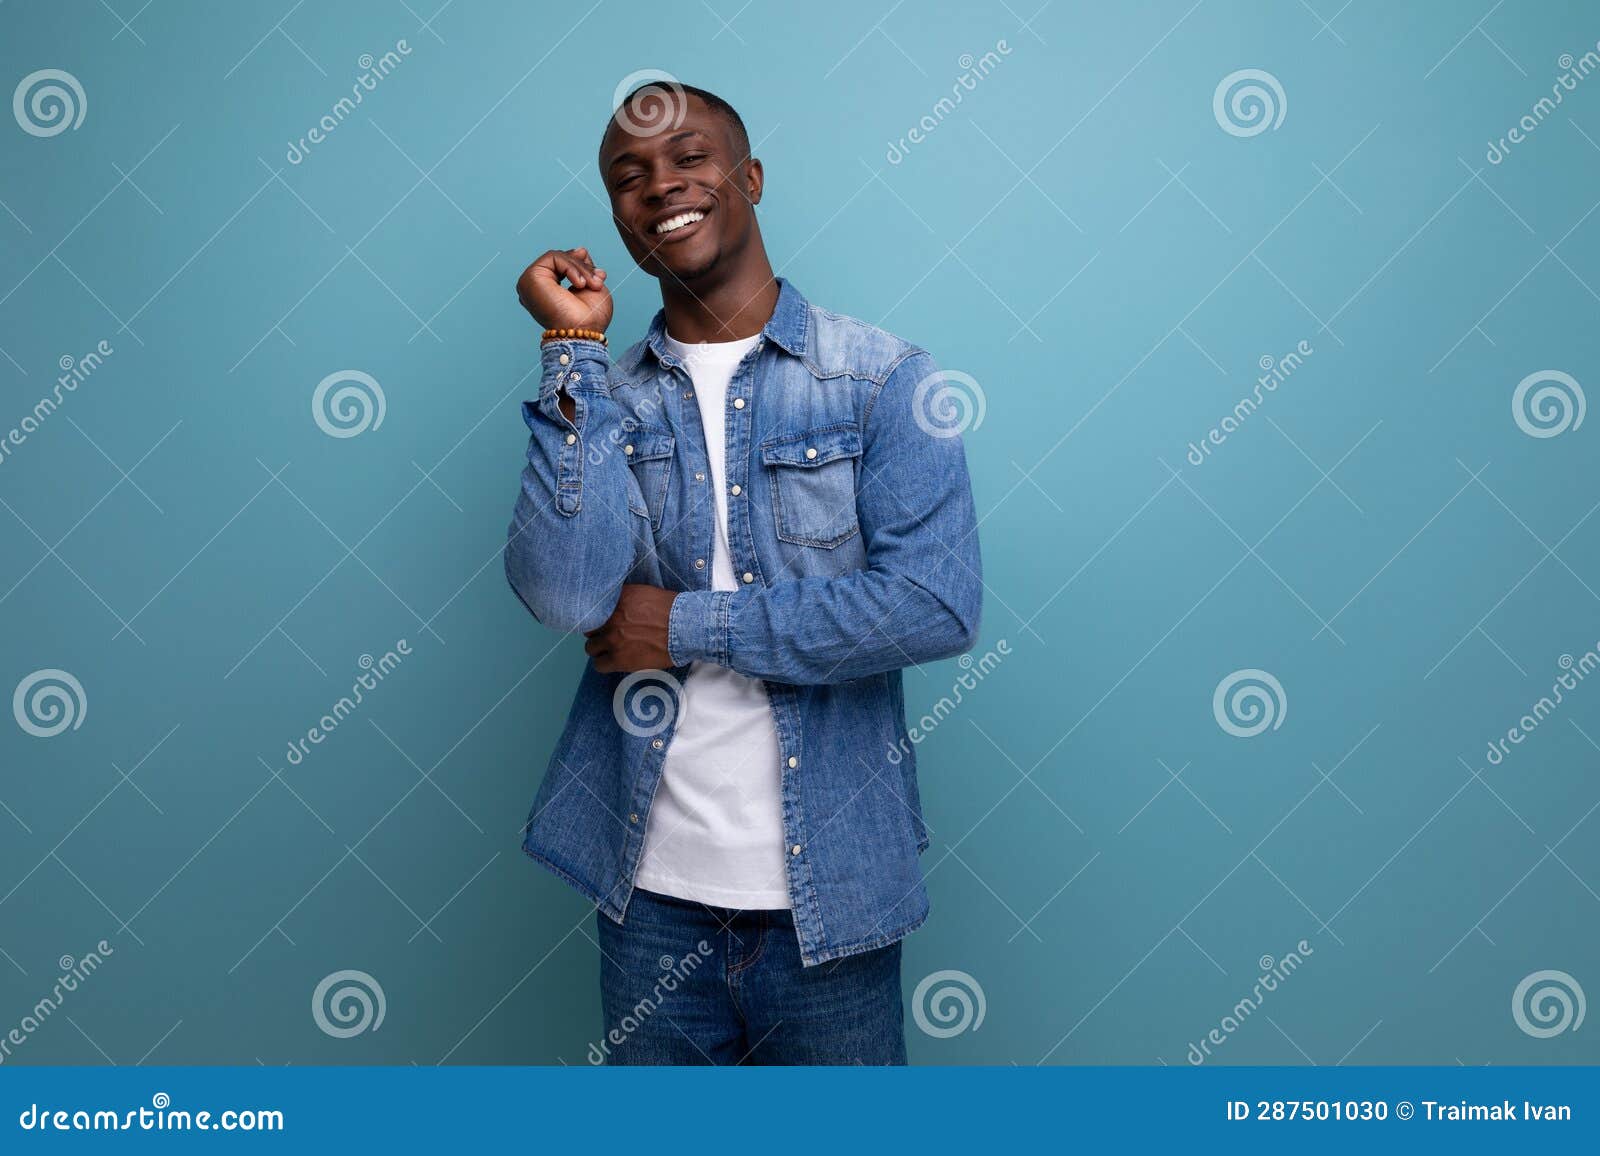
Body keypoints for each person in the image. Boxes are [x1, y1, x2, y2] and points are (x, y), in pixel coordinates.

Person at [504, 81, 982, 1064]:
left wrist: (681, 626)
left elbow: (934, 604)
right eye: (628, 178)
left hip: (830, 899)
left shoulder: (883, 378)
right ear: (619, 223)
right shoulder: (607, 397)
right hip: (648, 899)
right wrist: (572, 353)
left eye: (687, 158)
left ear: (750, 177)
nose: (659, 186)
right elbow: (564, 594)